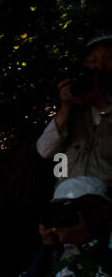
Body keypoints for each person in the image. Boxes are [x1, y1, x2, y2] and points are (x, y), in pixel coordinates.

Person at [36, 34, 112, 187]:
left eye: (109, 58)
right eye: (93, 61)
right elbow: (45, 150)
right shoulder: (75, 110)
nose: (100, 66)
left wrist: (101, 103)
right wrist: (65, 108)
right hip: (66, 197)